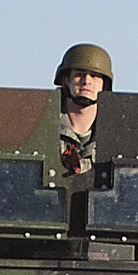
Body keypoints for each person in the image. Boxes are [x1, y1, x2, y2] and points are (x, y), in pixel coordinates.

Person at [56, 43, 112, 176]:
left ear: (104, 85)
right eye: (79, 75)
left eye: (94, 76)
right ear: (66, 81)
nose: (87, 81)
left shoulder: (113, 134)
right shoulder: (49, 128)